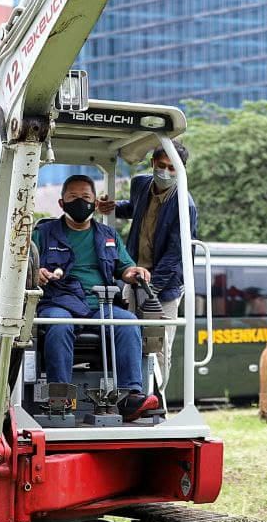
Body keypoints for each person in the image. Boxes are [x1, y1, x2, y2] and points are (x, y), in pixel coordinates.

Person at [35, 174, 159, 421]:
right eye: (72, 197)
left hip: (99, 305)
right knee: (58, 327)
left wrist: (135, 272)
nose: (79, 202)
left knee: (128, 323)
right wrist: (35, 272)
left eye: (85, 197)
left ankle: (130, 397)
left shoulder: (107, 235)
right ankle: (60, 399)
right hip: (59, 303)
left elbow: (125, 269)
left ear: (94, 203)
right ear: (61, 203)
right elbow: (24, 266)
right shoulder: (44, 233)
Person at [96, 143, 198, 386]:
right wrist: (115, 207)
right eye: (161, 165)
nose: (165, 172)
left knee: (159, 345)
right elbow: (137, 209)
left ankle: (156, 397)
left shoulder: (185, 205)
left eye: (172, 168)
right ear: (153, 163)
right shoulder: (141, 184)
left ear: (181, 170)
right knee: (125, 335)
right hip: (135, 275)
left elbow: (175, 255)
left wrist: (150, 291)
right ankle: (127, 391)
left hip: (164, 284)